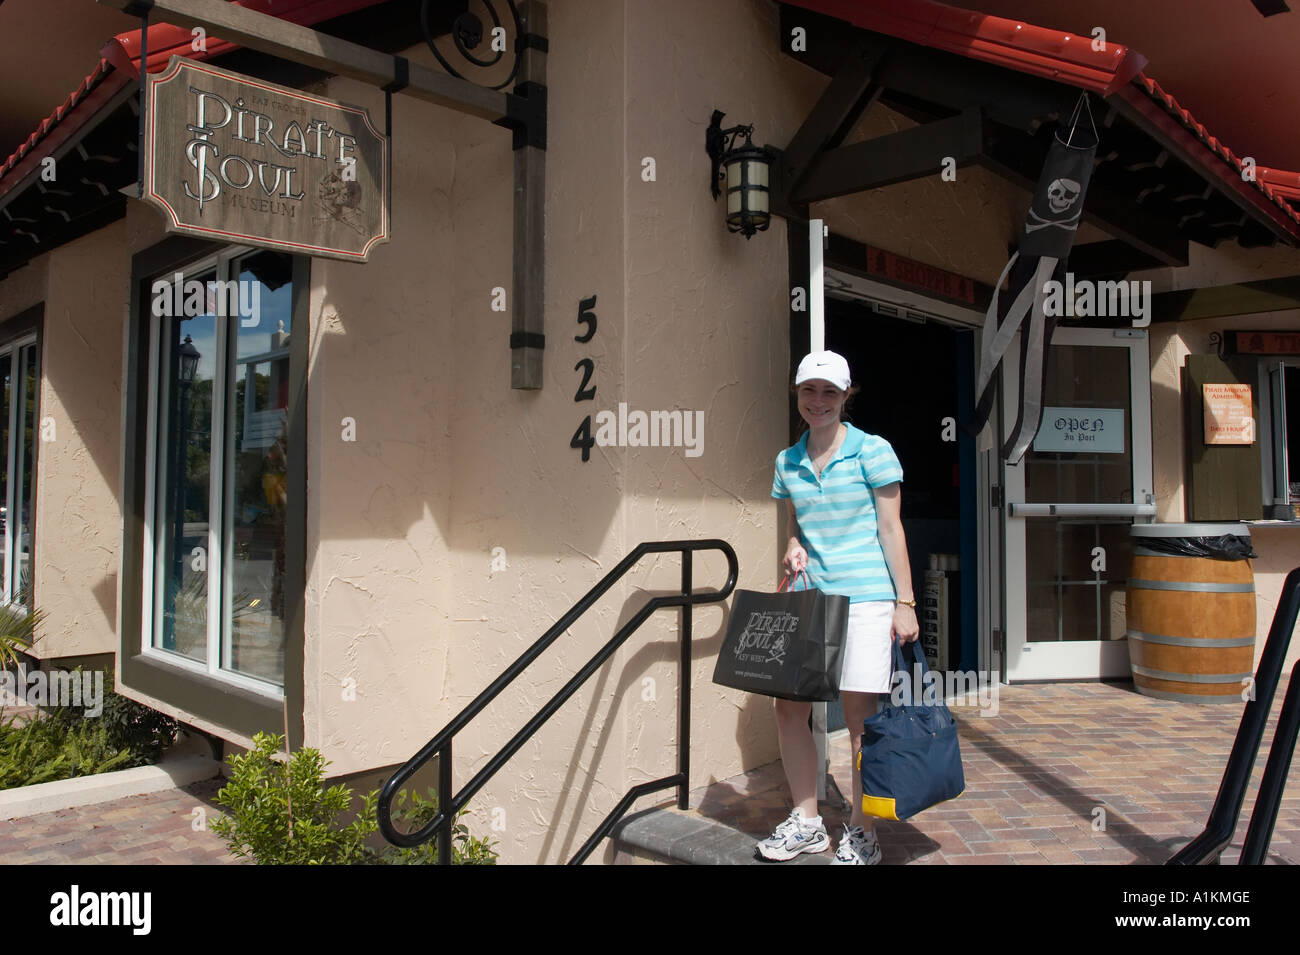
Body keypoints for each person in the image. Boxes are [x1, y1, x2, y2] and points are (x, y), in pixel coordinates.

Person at [757, 350, 920, 865]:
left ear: (847, 395)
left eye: (830, 392)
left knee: (858, 720)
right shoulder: (788, 461)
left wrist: (906, 601)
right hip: (811, 600)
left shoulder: (873, 451)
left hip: (867, 598)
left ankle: (861, 829)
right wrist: (792, 544)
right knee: (788, 709)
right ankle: (807, 823)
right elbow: (798, 523)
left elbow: (892, 529)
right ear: (797, 393)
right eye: (810, 390)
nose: (819, 401)